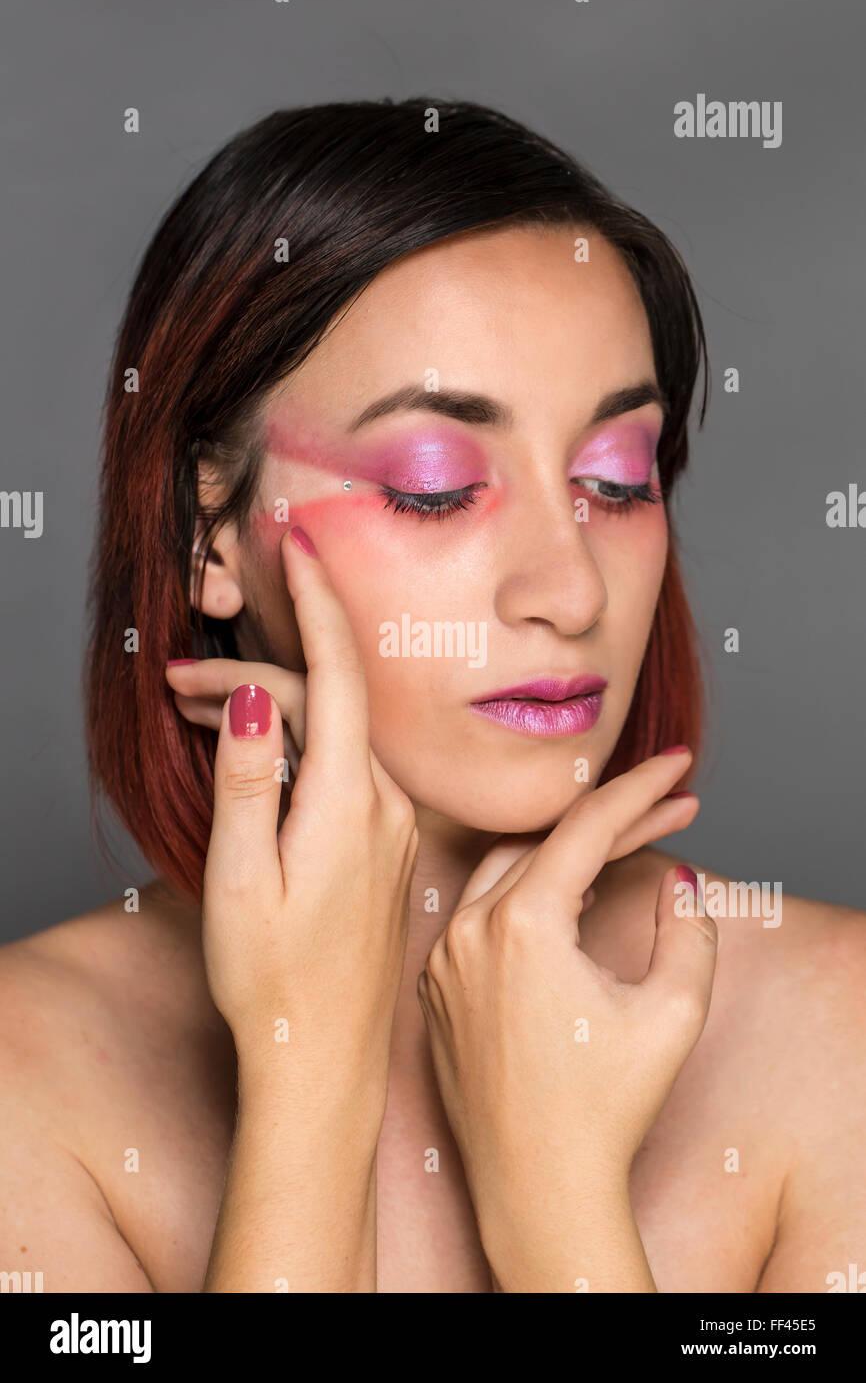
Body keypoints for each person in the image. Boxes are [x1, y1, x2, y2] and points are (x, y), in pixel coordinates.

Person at [1, 99, 863, 1293]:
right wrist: (311, 1081)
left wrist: (557, 1206)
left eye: (614, 480)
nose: (567, 589)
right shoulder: (23, 1072)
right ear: (210, 536)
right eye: (433, 486)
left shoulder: (841, 1034)